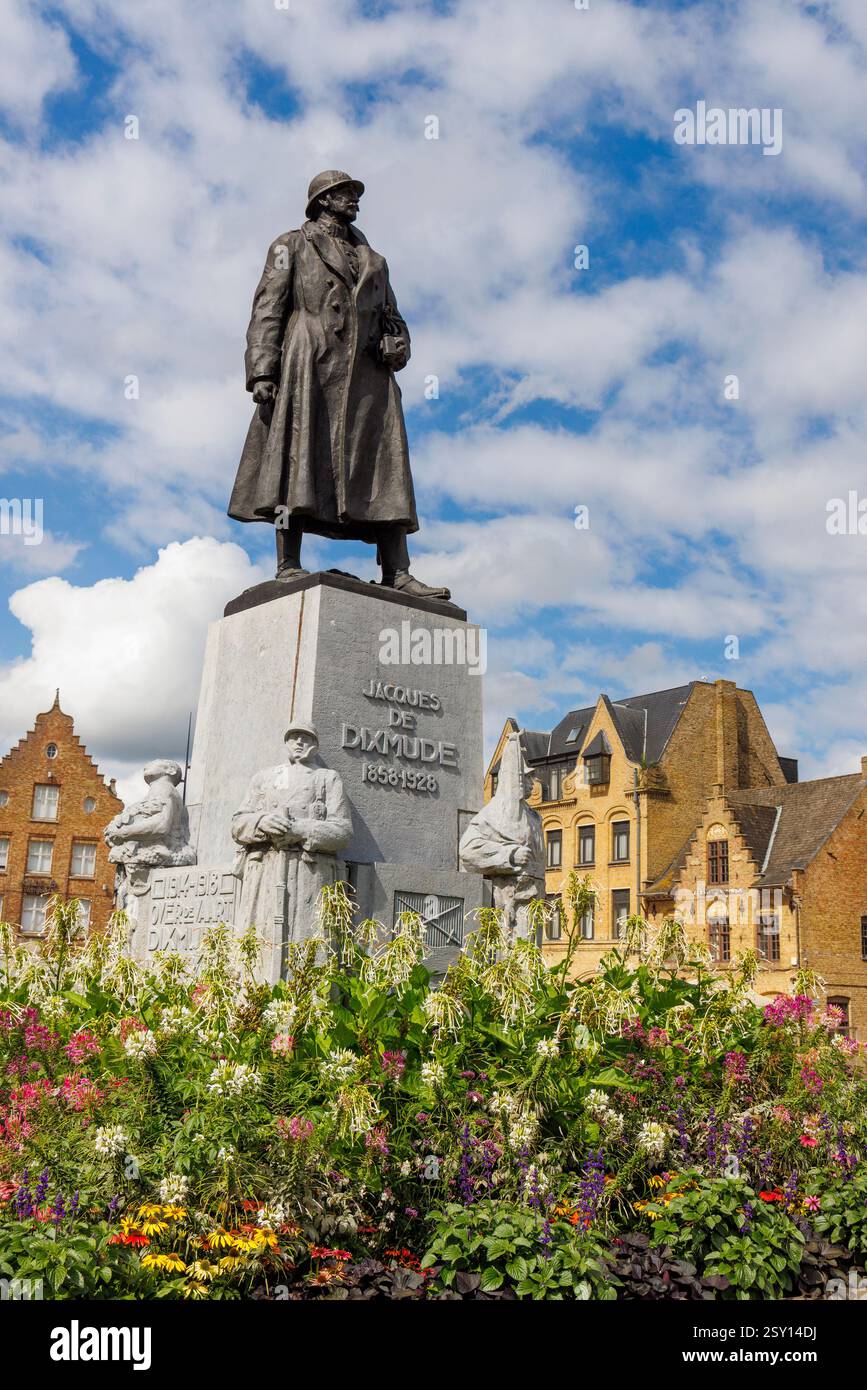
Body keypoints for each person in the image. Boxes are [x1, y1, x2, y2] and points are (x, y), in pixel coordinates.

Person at [228, 170, 451, 600]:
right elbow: (268, 309)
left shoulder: (374, 261)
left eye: (354, 194)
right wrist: (262, 370)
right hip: (309, 361)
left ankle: (397, 571)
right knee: (295, 460)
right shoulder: (289, 244)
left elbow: (393, 319)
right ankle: (288, 565)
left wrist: (397, 344)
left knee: (384, 466)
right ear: (323, 200)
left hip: (368, 375)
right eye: (346, 194)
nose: (355, 200)